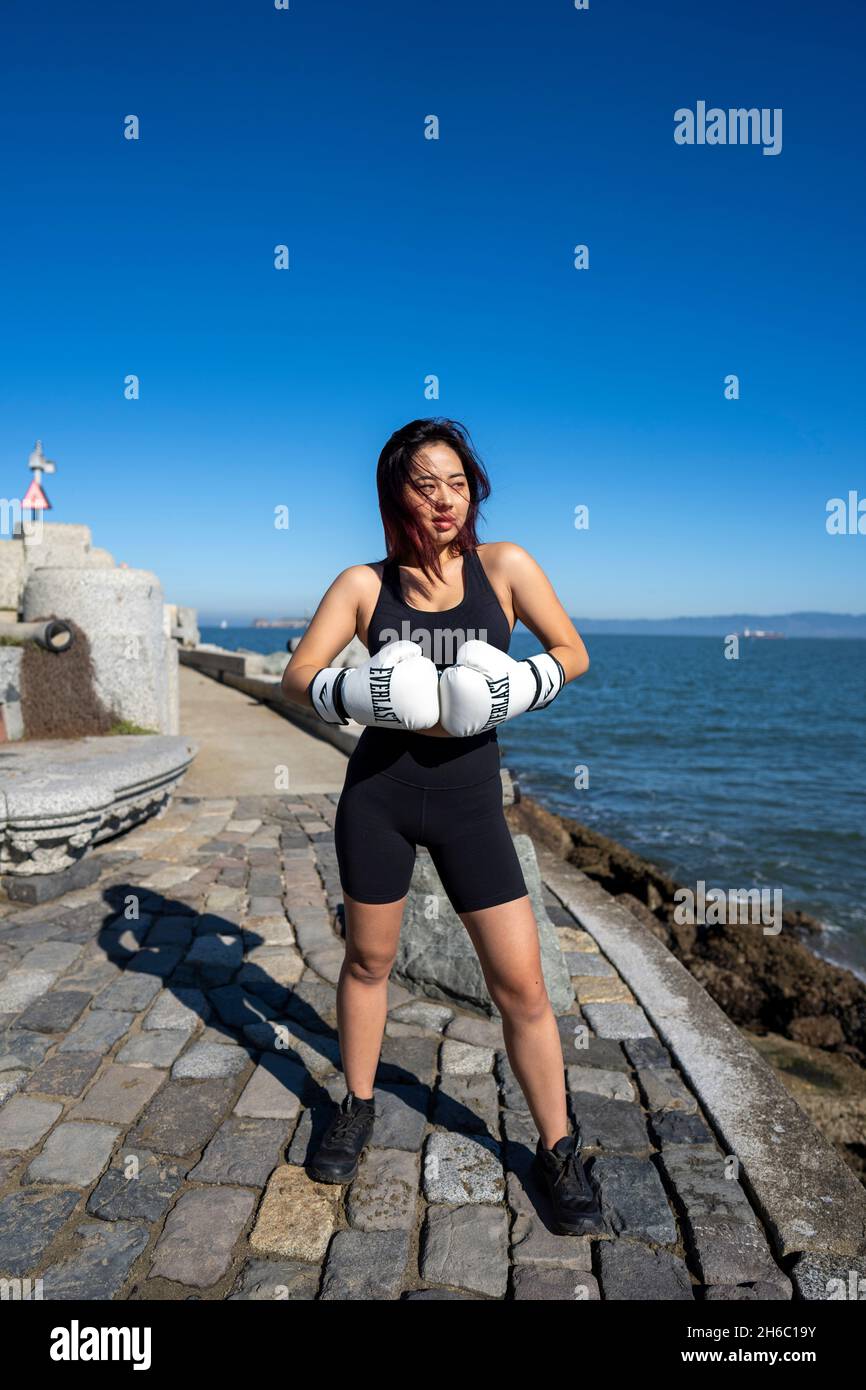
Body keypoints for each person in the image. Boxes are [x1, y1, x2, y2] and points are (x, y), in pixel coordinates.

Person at [281, 418, 603, 1236]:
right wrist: (357, 695)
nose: (446, 498)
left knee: (522, 988)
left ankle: (558, 1148)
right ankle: (354, 1106)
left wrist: (519, 687)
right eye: (426, 483)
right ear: (397, 494)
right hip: (381, 794)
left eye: (457, 481)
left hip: (469, 803)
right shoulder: (364, 584)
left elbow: (573, 650)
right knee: (368, 958)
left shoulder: (506, 567)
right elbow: (298, 674)